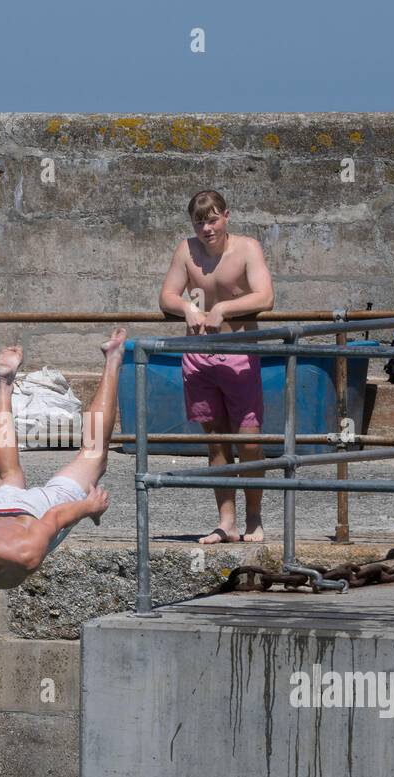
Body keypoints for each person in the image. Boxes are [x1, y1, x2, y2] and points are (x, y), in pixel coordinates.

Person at [0, 328, 126, 602]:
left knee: (94, 453)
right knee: (8, 474)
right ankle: (4, 385)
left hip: (39, 512)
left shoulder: (25, 553)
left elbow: (55, 518)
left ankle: (113, 358)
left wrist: (89, 507)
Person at [158, 189, 275, 544]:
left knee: (249, 441)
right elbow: (167, 295)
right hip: (199, 356)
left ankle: (254, 518)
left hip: (239, 353)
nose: (206, 228)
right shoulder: (186, 250)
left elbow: (266, 296)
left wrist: (224, 308)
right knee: (216, 444)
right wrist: (188, 308)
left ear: (225, 216)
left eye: (212, 219)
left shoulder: (247, 247)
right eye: (199, 221)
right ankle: (227, 522)